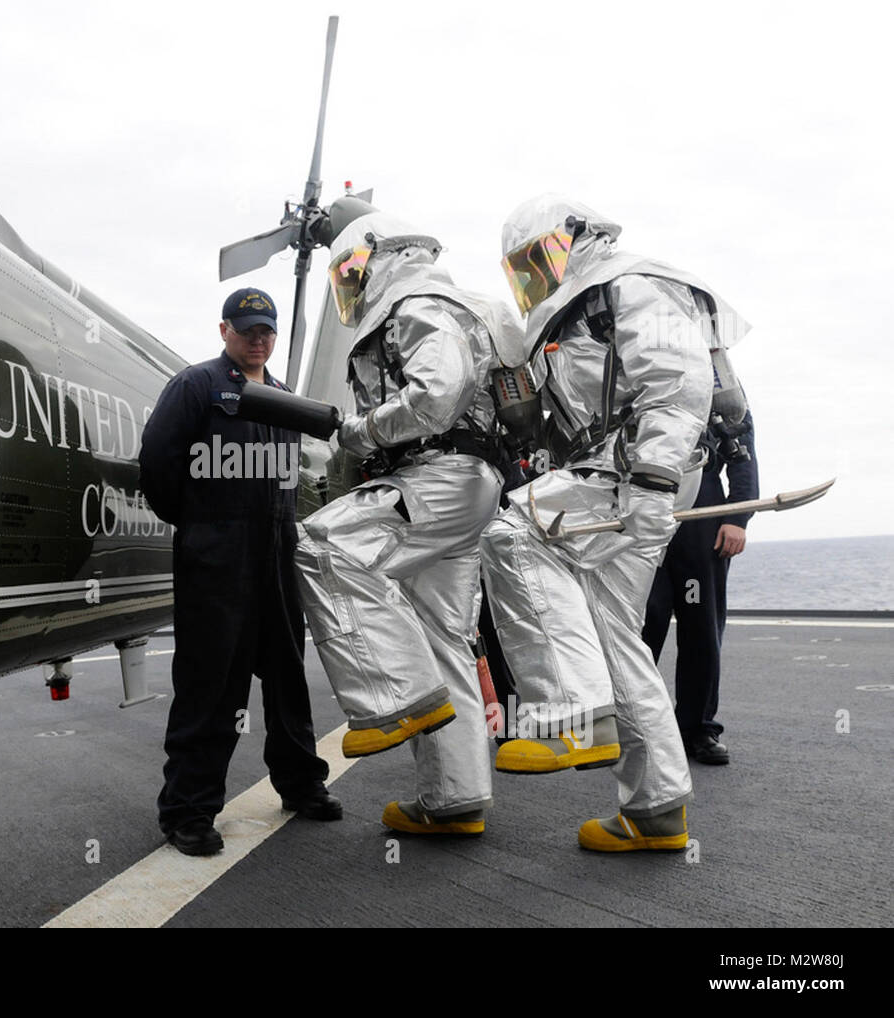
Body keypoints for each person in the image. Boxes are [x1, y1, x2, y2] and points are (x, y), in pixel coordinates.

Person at [479, 194, 750, 852]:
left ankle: (571, 715)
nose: (532, 277)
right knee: (614, 634)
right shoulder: (578, 310)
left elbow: (677, 385)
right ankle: (655, 809)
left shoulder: (630, 283)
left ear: (573, 240)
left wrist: (653, 480)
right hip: (629, 473)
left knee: (513, 535)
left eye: (537, 260)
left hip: (636, 471)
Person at [293, 209, 527, 835]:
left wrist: (359, 431)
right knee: (444, 635)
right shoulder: (456, 306)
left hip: (436, 477)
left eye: (351, 272)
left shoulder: (417, 304)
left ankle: (395, 699)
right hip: (469, 484)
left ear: (382, 255)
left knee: (324, 544)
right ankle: (455, 799)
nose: (350, 288)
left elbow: (437, 394)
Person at [139, 287, 340, 857]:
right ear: (224, 329)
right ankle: (188, 810)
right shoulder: (196, 386)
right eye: (248, 328)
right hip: (217, 565)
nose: (258, 339)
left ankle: (300, 784)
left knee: (288, 679)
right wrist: (202, 524)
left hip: (276, 556)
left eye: (266, 330)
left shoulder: (283, 398)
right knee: (210, 686)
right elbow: (157, 464)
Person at [643, 406, 758, 765]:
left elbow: (743, 451)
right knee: (642, 625)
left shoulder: (715, 383)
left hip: (698, 520)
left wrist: (737, 517)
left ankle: (697, 729)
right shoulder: (632, 375)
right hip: (642, 515)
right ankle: (631, 724)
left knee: (700, 628)